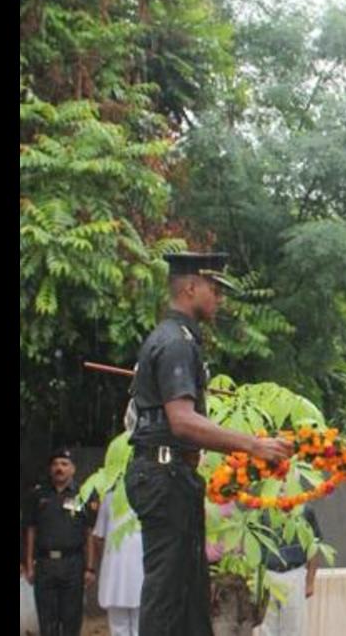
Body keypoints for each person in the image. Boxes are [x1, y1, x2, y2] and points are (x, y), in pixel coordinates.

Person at [126, 251, 293, 636]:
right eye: (214, 288)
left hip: (172, 475)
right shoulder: (175, 341)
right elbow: (183, 421)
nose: (220, 297)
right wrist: (252, 445)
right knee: (169, 594)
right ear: (190, 287)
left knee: (189, 594)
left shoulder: (178, 339)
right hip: (164, 475)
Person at [24, 448, 100, 636]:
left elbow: (89, 532)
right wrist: (29, 565)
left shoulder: (83, 494)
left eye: (65, 464)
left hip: (73, 564)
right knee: (47, 621)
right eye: (56, 464)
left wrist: (90, 568)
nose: (59, 468)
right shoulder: (38, 495)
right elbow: (31, 530)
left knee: (71, 620)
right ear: (50, 469)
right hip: (45, 565)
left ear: (73, 469)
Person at [255, 507, 323, 636]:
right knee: (266, 627)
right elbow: (253, 545)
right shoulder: (262, 512)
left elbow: (314, 546)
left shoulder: (305, 511)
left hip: (294, 574)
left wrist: (310, 581)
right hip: (267, 575)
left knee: (294, 628)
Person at [91, 484, 144, 636]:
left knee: (140, 627)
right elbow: (99, 536)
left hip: (141, 572)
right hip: (115, 574)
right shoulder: (109, 498)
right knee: (119, 628)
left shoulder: (151, 497)